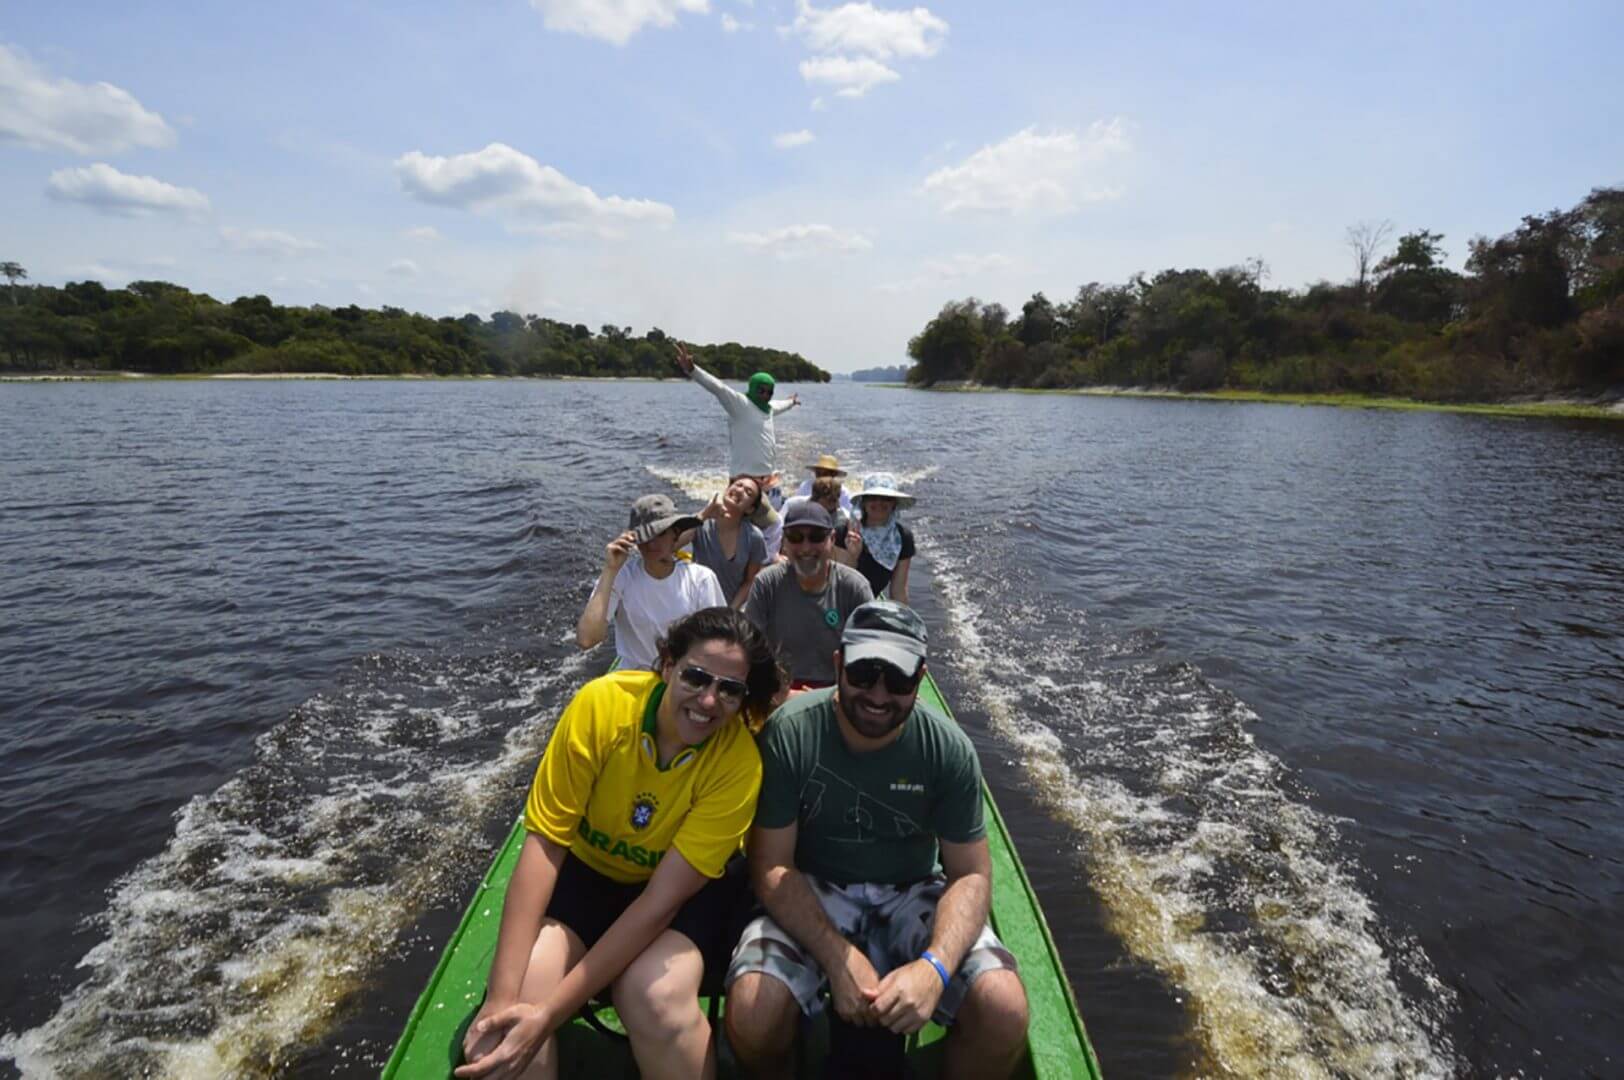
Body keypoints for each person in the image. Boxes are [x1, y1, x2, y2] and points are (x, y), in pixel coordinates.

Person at [457, 608, 787, 1080]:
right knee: (516, 1008)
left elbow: (660, 901)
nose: (709, 700)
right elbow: (545, 846)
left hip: (676, 895)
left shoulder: (738, 765)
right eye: (696, 677)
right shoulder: (602, 707)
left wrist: (548, 1019)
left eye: (730, 690)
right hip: (588, 875)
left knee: (654, 997)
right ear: (668, 665)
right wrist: (501, 1001)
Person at [723, 601, 1030, 1080]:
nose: (878, 694)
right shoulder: (791, 733)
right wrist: (837, 957)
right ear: (839, 665)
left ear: (920, 679)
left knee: (1004, 1009)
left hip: (910, 890)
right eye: (864, 672)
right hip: (812, 887)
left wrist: (935, 968)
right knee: (750, 1012)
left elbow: (969, 872)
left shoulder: (947, 750)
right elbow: (771, 866)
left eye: (898, 680)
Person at [578, 494, 727, 670]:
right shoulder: (620, 576)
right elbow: (587, 639)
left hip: (679, 678)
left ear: (675, 534)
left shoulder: (701, 579)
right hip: (632, 678)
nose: (651, 544)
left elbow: (718, 641)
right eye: (645, 536)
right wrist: (610, 569)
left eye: (661, 534)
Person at [743, 500, 872, 690]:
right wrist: (781, 693)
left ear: (833, 539)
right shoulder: (766, 583)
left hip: (838, 689)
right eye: (795, 537)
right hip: (779, 687)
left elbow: (868, 652)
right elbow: (751, 650)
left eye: (816, 537)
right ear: (784, 542)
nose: (805, 547)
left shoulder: (855, 587)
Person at [673, 343, 800, 506]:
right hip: (743, 482)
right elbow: (718, 388)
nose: (766, 395)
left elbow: (781, 405)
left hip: (769, 480)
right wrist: (692, 370)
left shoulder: (768, 409)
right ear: (753, 388)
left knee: (772, 526)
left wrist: (791, 402)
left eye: (769, 392)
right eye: (761, 390)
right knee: (738, 524)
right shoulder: (741, 404)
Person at [687, 476, 769, 610]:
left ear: (749, 509)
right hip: (697, 607)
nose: (740, 490)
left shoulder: (754, 537)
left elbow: (750, 581)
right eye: (738, 485)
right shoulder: (701, 523)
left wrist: (730, 610)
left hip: (731, 609)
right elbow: (673, 545)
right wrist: (705, 514)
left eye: (748, 492)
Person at [832, 473, 915, 604]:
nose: (879, 503)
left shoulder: (903, 538)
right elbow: (837, 584)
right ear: (863, 502)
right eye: (873, 498)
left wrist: (905, 620)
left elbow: (898, 591)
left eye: (886, 498)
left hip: (870, 603)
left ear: (894, 504)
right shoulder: (845, 532)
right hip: (840, 603)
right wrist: (853, 556)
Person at [793, 454, 855, 519]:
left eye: (825, 474)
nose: (821, 477)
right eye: (818, 473)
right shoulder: (805, 486)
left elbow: (847, 514)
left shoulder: (843, 491)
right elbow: (797, 509)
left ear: (834, 475)